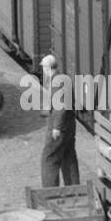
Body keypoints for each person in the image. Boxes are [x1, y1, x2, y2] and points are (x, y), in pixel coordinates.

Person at [39, 53, 80, 186]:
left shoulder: (56, 82)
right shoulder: (64, 78)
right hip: (70, 124)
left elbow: (60, 106)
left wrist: (56, 127)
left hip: (60, 125)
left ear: (47, 68)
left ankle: (51, 192)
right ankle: (74, 189)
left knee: (49, 158)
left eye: (43, 68)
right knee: (68, 157)